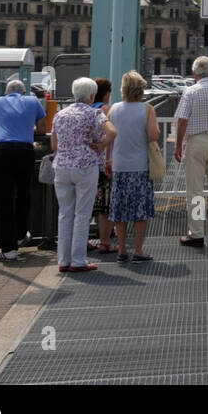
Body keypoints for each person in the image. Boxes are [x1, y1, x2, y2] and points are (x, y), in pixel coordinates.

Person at [52, 77, 116, 273]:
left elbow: (54, 145)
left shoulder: (60, 115)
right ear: (92, 95)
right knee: (82, 214)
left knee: (65, 214)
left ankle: (63, 260)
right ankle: (78, 260)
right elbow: (112, 132)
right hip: (85, 166)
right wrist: (101, 146)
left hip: (62, 166)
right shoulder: (94, 113)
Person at [0, 79, 48, 261]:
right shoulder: (32, 101)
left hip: (2, 152)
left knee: (3, 200)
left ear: (6, 93)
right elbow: (42, 129)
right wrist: (26, 130)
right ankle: (21, 234)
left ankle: (8, 249)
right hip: (25, 151)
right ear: (23, 92)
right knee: (24, 195)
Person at [108, 71, 160, 261]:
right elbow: (153, 135)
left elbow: (109, 137)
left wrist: (108, 159)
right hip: (140, 165)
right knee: (140, 210)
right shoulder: (147, 109)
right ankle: (138, 250)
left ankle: (122, 249)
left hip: (119, 165)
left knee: (119, 209)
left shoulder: (113, 109)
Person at [174, 57, 208, 247]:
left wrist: (178, 145)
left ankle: (197, 233)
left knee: (195, 190)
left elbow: (183, 119)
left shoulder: (190, 92)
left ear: (195, 74)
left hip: (196, 142)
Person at [88, 77, 116, 254]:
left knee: (85, 205)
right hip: (101, 162)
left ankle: (82, 241)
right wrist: (108, 158)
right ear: (106, 94)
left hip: (85, 163)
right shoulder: (105, 110)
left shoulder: (86, 109)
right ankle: (105, 241)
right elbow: (112, 136)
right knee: (105, 204)